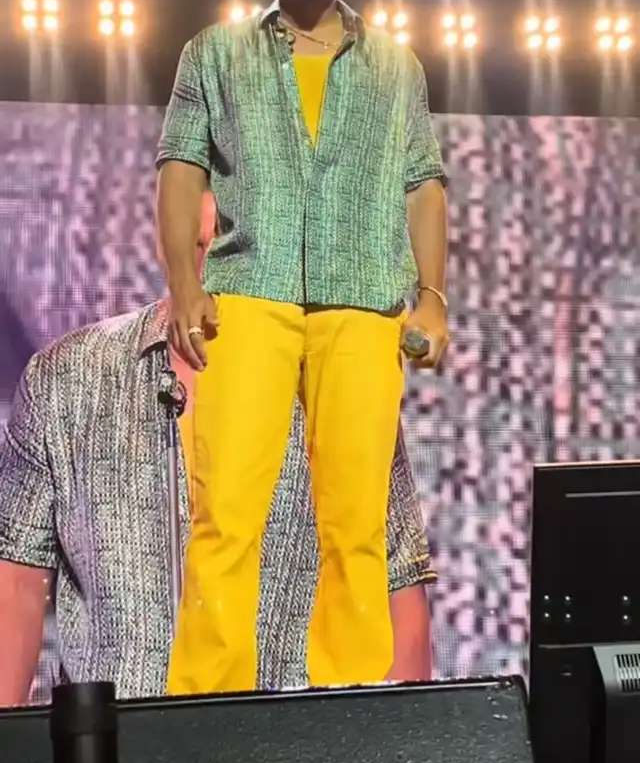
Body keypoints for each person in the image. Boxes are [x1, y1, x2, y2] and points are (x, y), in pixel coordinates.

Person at [157, 0, 448, 696]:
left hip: (362, 299)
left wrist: (433, 297)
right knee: (225, 513)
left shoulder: (396, 67)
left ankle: (347, 700)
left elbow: (423, 182)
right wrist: (183, 283)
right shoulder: (214, 53)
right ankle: (208, 704)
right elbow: (179, 166)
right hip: (250, 291)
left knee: (355, 521)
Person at [0, 192, 436, 708]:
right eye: (199, 244)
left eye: (232, 245)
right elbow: (16, 583)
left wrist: (397, 752)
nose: (213, 270)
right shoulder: (68, 379)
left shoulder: (342, 383)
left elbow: (397, 590)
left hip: (289, 747)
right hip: (115, 750)